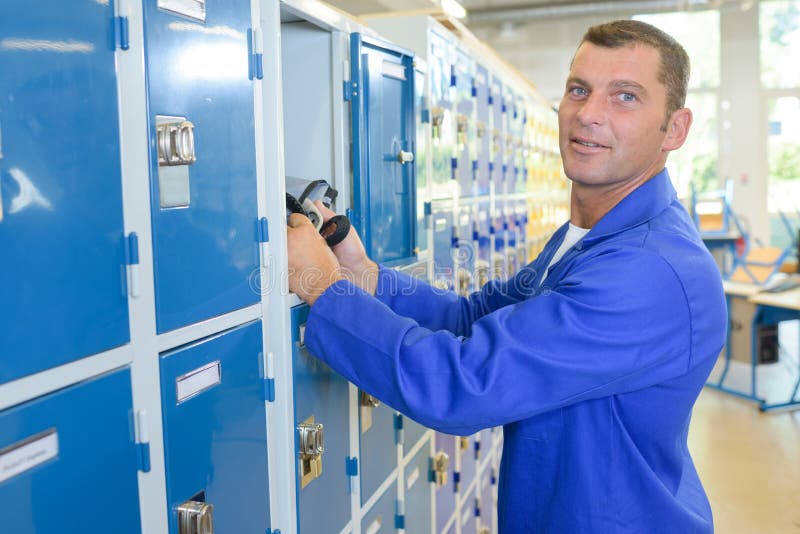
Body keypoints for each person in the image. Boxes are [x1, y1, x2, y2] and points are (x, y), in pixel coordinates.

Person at [287, 19, 726, 533]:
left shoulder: (646, 272)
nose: (588, 114)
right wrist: (364, 275)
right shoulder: (591, 237)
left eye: (625, 97)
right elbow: (472, 317)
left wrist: (324, 289)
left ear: (675, 128)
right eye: (578, 90)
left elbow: (463, 384)